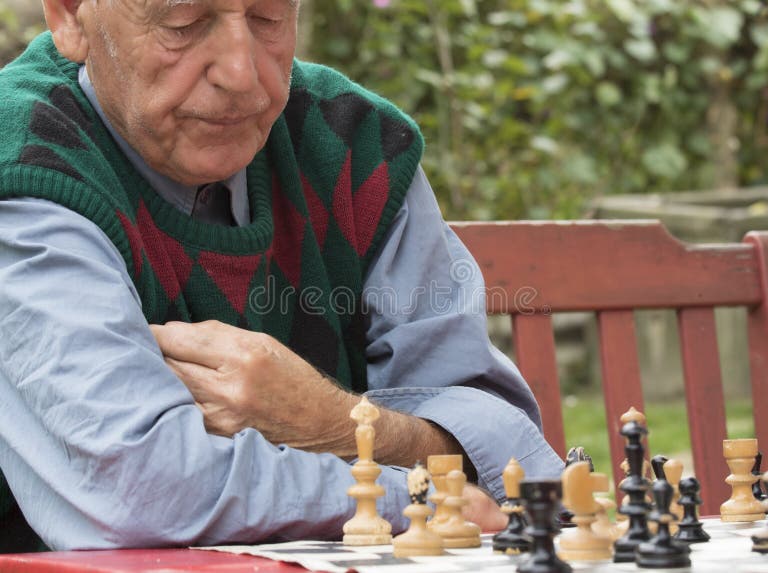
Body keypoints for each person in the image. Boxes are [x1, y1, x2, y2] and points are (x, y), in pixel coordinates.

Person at [0, 0, 562, 552]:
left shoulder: (353, 143)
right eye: (185, 23)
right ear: (72, 16)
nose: (243, 75)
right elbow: (140, 486)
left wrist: (330, 423)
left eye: (269, 18)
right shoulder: (24, 162)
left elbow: (505, 445)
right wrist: (430, 498)